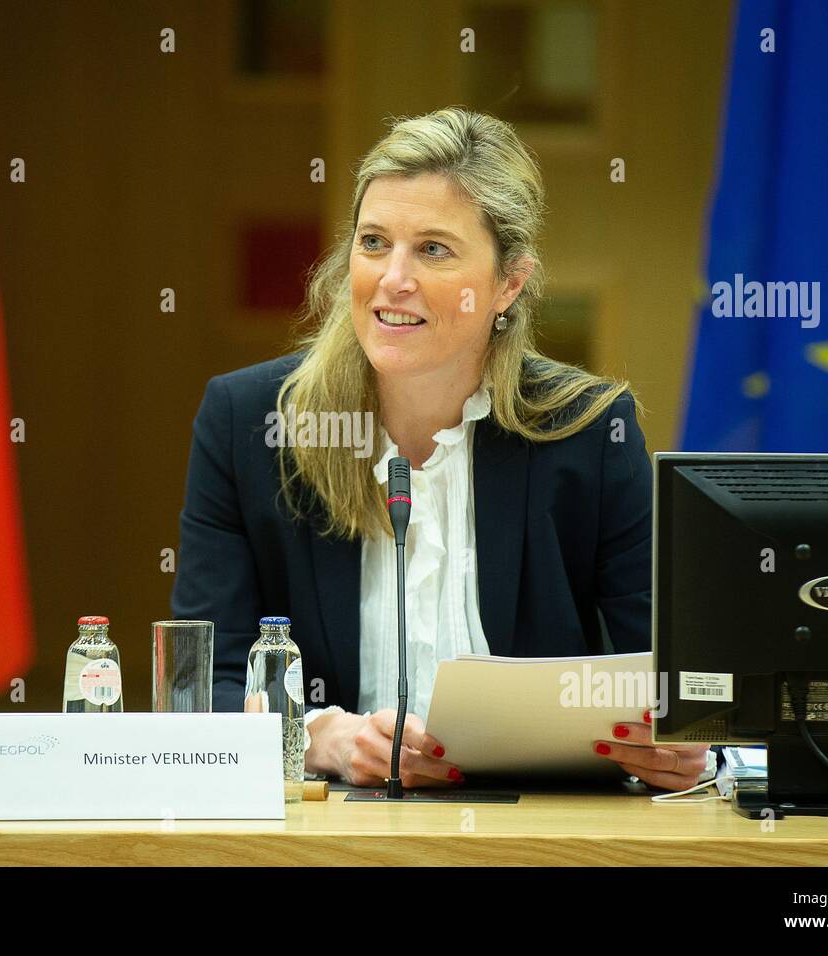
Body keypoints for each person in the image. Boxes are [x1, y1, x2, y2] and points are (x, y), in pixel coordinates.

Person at [171, 106, 711, 791]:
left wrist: (684, 745)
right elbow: (197, 683)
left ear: (508, 284)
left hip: (542, 836)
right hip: (328, 836)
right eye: (373, 243)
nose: (392, 279)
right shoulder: (251, 424)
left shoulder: (587, 432)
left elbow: (670, 680)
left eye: (432, 249)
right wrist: (316, 736)